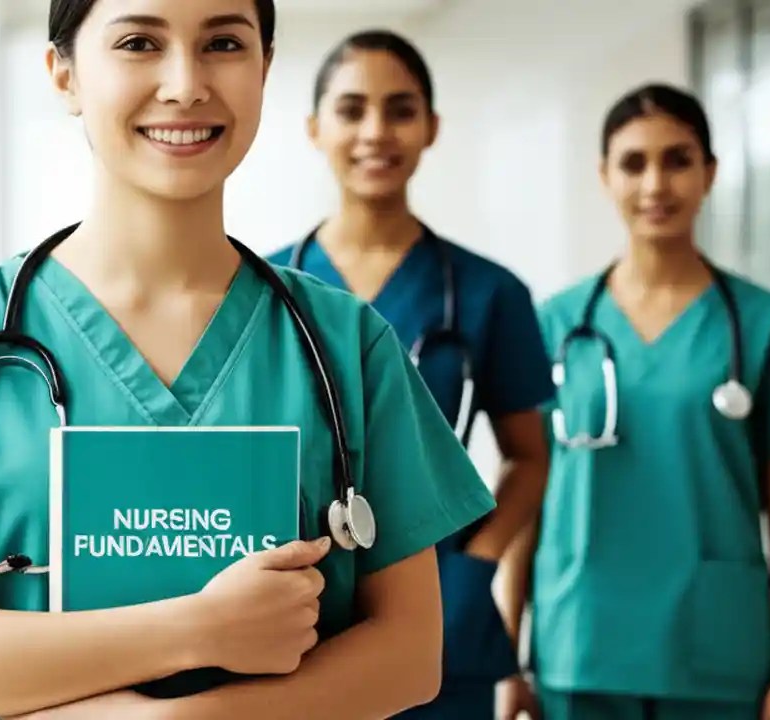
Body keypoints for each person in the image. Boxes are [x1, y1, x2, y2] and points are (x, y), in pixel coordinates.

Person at [0, 2, 496, 719]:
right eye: (137, 42)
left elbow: (408, 655)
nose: (185, 83)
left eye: (223, 42)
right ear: (63, 75)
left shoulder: (346, 344)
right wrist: (199, 629)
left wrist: (180, 719)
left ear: (265, 68)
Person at [267, 30, 554, 718]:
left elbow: (531, 457)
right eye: (351, 109)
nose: (376, 131)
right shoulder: (260, 288)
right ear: (314, 128)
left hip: (440, 603)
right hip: (298, 603)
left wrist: (475, 562)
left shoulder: (489, 293)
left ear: (431, 128)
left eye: (400, 110)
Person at [500, 83, 770, 720]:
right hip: (580, 646)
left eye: (678, 160)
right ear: (604, 176)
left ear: (709, 172)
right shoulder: (555, 324)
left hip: (715, 653)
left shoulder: (761, 325)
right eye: (634, 163)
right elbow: (526, 495)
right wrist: (507, 654)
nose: (656, 184)